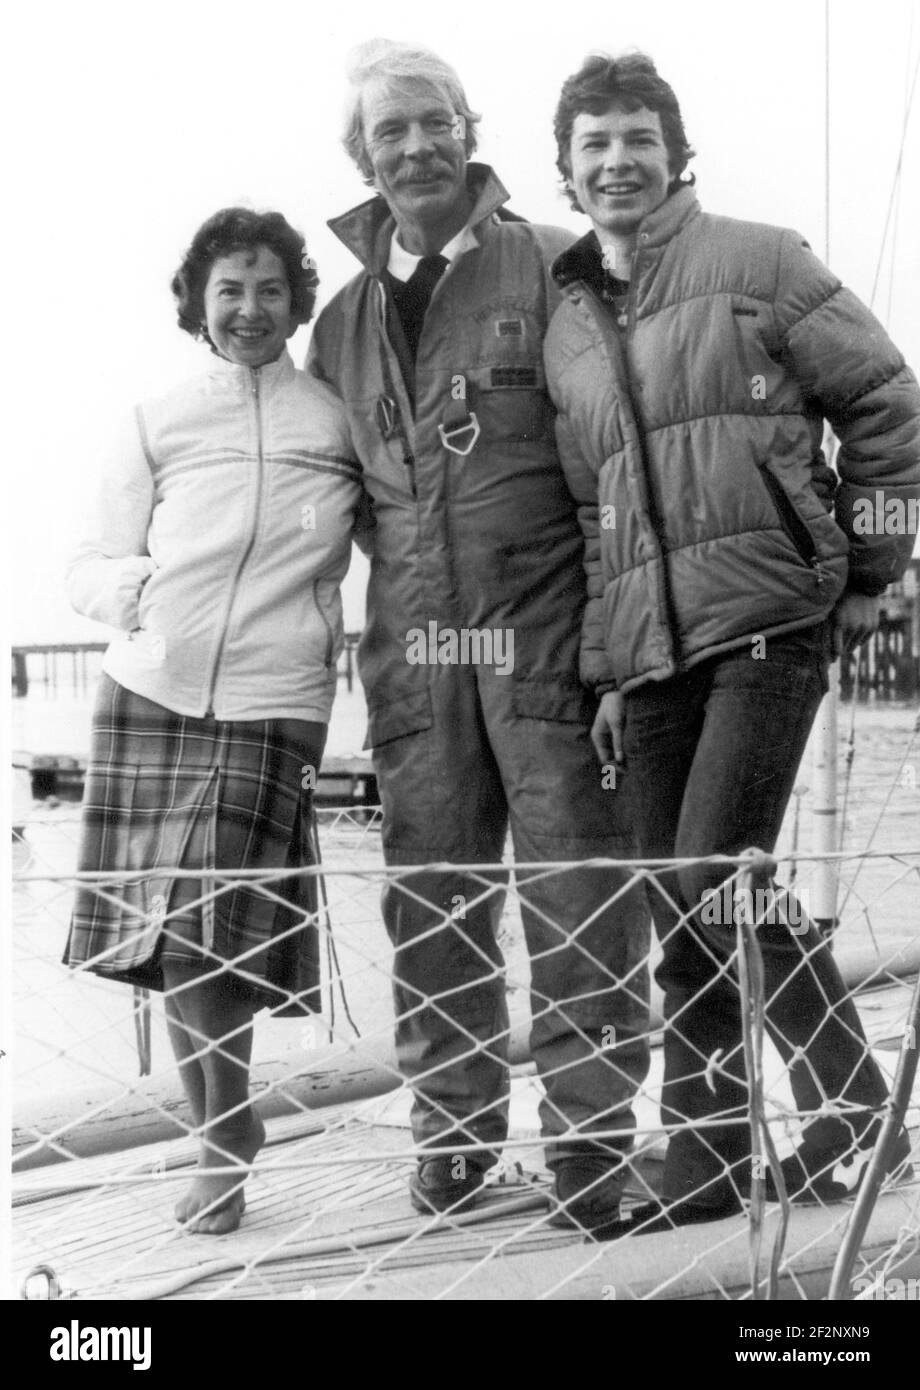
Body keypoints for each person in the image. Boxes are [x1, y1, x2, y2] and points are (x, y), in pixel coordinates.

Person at [544, 52, 920, 1228]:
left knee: (711, 883)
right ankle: (717, 1158)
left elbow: (888, 406)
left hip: (765, 624)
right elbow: (593, 512)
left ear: (675, 152)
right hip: (651, 658)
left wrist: (870, 568)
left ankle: (829, 1119)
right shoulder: (566, 324)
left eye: (636, 139)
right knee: (691, 900)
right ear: (565, 169)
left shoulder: (759, 259)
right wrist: (605, 669)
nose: (617, 161)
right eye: (593, 144)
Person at [308, 38, 650, 1233]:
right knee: (433, 898)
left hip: (545, 642)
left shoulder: (556, 271)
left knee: (581, 896)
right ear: (362, 156)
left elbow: (615, 469)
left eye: (431, 122)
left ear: (468, 128)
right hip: (413, 653)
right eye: (388, 132)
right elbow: (323, 504)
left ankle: (594, 1155)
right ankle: (450, 1142)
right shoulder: (338, 323)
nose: (414, 147)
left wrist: (611, 650)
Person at [65, 208, 364, 1234]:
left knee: (213, 942)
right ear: (196, 299)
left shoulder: (333, 418)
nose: (249, 308)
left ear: (296, 300)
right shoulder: (156, 418)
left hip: (276, 696)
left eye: (270, 288)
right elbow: (88, 562)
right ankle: (222, 1133)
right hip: (153, 692)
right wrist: (130, 595)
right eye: (229, 288)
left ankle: (222, 1137)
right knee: (163, 939)